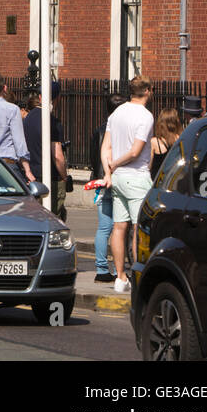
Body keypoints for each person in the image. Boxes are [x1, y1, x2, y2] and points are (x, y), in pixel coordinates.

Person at [95, 77, 154, 293]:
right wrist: (116, 163)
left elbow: (105, 148)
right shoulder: (146, 116)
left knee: (119, 227)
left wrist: (109, 172)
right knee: (139, 230)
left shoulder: (117, 112)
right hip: (136, 177)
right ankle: (138, 278)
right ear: (147, 91)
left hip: (117, 179)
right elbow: (135, 152)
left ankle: (120, 278)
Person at [92, 94, 125, 284]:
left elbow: (93, 157)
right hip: (118, 180)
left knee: (104, 227)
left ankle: (101, 268)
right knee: (119, 227)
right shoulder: (120, 131)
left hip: (101, 182)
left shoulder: (98, 130)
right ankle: (117, 268)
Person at [23, 81, 68, 220]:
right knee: (53, 218)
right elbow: (57, 155)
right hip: (50, 178)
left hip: (31, 176)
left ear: (41, 96)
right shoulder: (52, 122)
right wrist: (64, 176)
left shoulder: (28, 118)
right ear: (57, 98)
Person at [149, 107, 183, 178]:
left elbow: (149, 166)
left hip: (157, 181)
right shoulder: (181, 139)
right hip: (173, 181)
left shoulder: (155, 142)